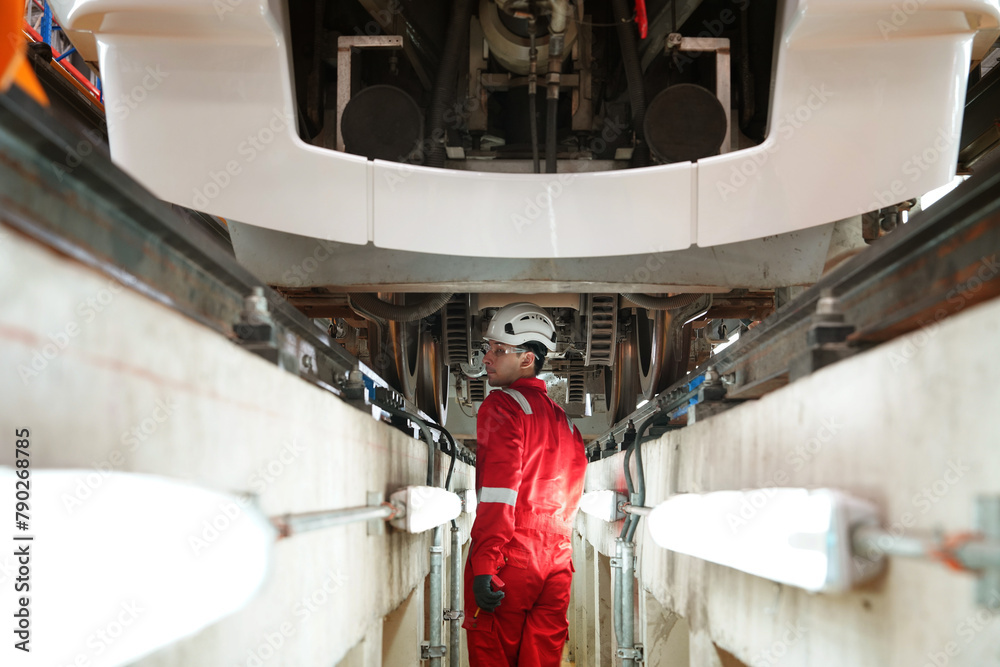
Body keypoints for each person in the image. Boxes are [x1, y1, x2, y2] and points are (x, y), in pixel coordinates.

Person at [463, 302, 588, 667]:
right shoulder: (566, 423)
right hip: (557, 564)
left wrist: (485, 564)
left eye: (499, 350)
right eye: (488, 348)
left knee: (493, 655)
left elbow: (498, 493)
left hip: (510, 561)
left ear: (527, 359)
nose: (487, 358)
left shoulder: (502, 406)